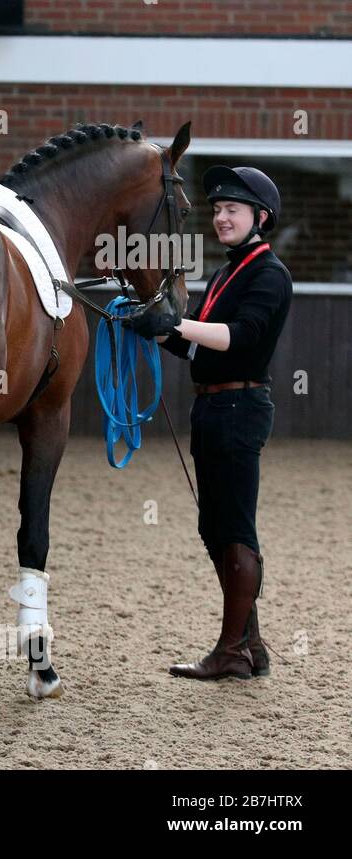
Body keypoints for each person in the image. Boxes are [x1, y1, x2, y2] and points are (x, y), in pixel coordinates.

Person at [128, 165, 291, 681]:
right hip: (214, 408)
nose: (221, 217)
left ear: (259, 218)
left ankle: (230, 651)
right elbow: (196, 341)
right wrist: (151, 327)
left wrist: (175, 321)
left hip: (240, 409)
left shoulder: (269, 274)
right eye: (218, 210)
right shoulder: (228, 272)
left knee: (234, 527)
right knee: (214, 526)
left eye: (232, 210)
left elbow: (240, 336)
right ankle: (250, 646)